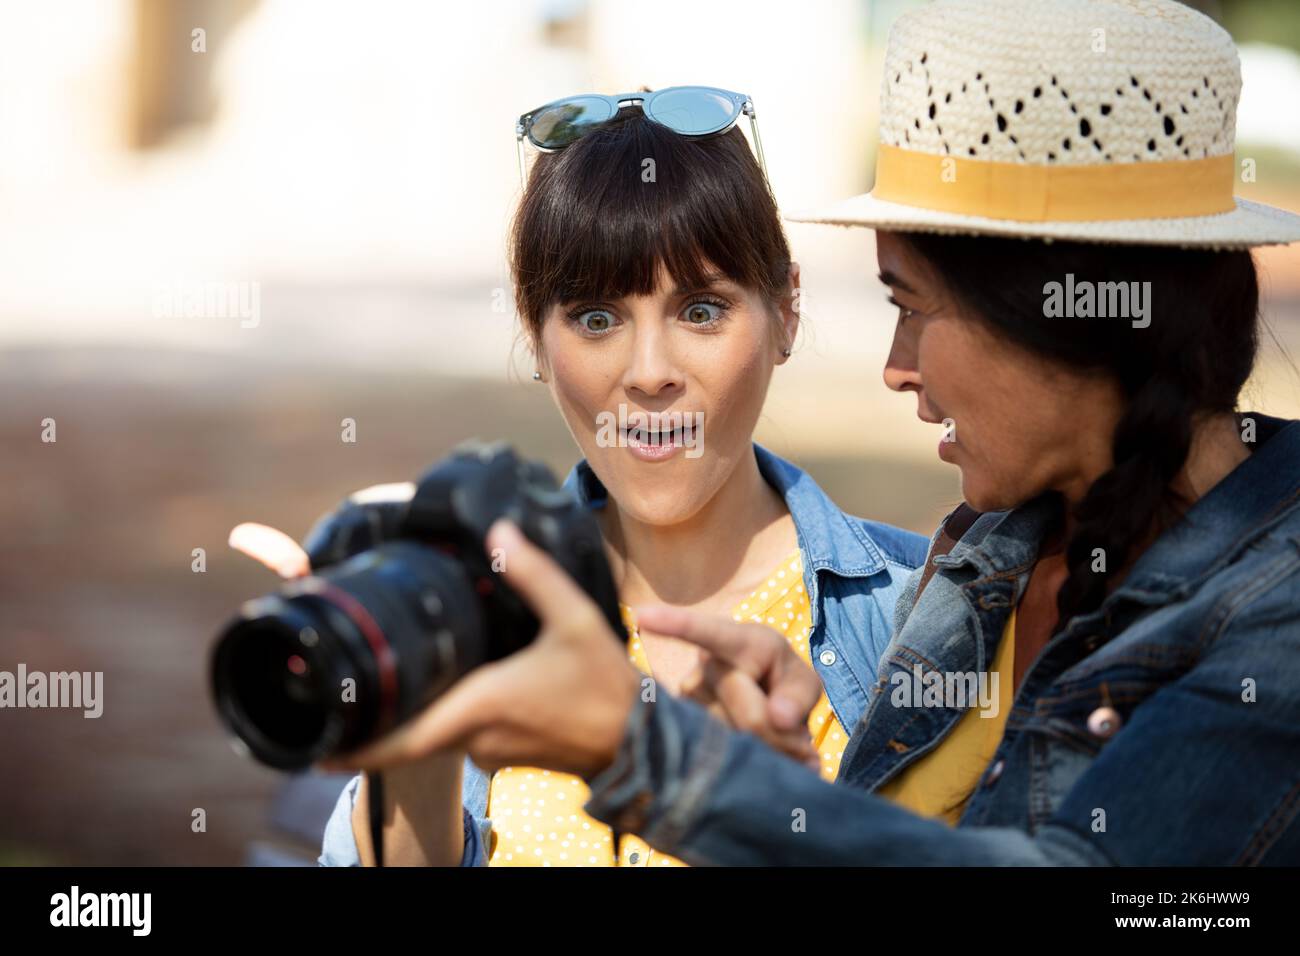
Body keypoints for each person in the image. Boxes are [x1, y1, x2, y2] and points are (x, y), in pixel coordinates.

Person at [317, 0, 1300, 866]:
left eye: (908, 304)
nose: (894, 365)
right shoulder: (990, 565)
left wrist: (656, 759)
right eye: (593, 313)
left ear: (1052, 319)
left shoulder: (1257, 613)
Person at [232, 88, 926, 866]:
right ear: (534, 332)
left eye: (701, 310)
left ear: (786, 311)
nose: (650, 373)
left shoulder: (927, 620)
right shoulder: (463, 603)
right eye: (596, 318)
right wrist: (405, 695)